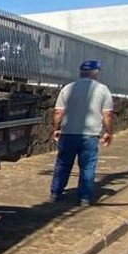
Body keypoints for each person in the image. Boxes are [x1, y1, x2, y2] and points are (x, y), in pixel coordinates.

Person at [50, 59, 114, 206]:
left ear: (81, 72)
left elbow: (58, 112)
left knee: (63, 164)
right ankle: (84, 197)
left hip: (68, 132)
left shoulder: (68, 88)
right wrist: (109, 132)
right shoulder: (103, 90)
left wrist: (56, 128)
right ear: (96, 73)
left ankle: (56, 193)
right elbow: (108, 114)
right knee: (87, 166)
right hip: (90, 134)